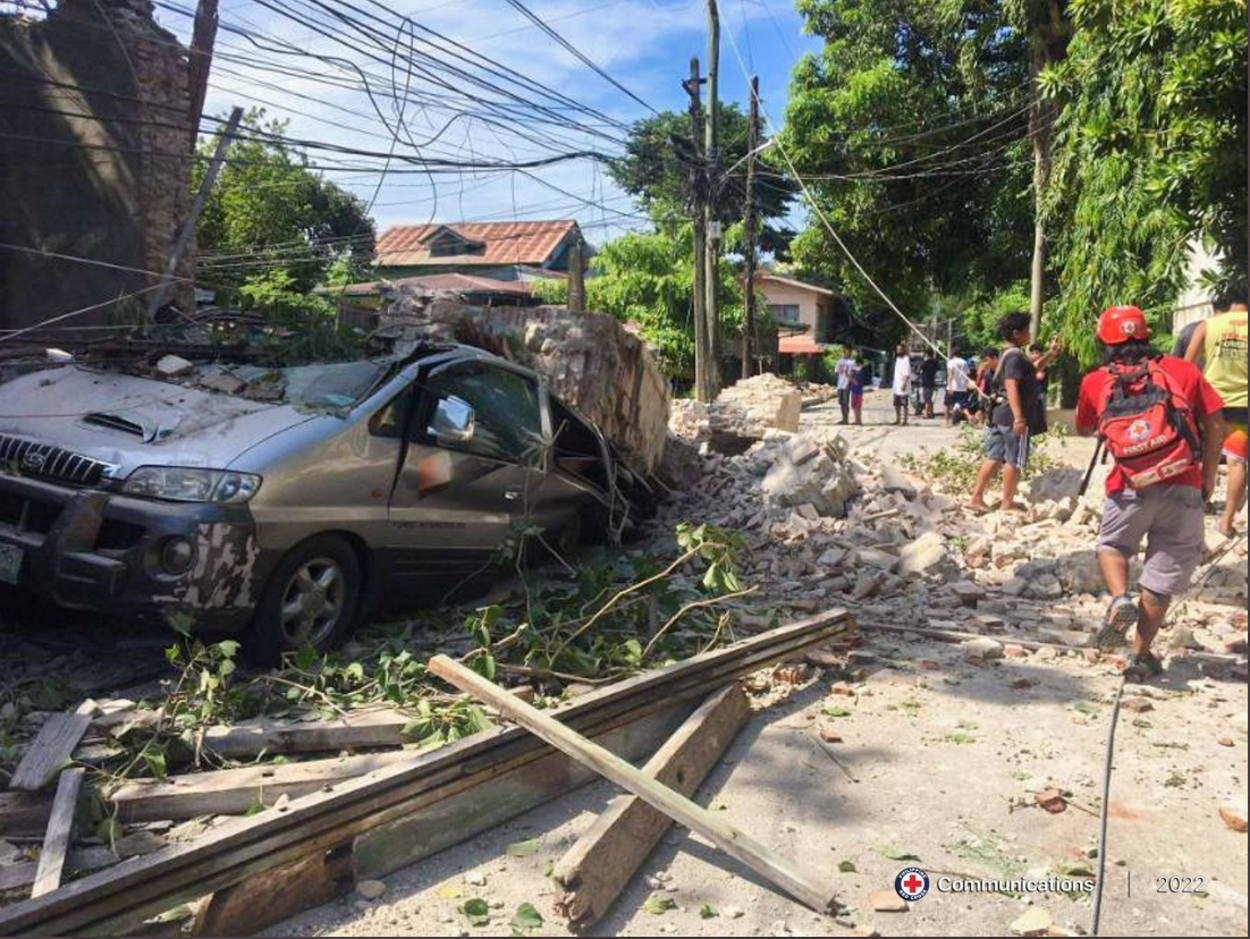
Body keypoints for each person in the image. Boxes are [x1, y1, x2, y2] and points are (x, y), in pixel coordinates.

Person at [1076, 305, 1225, 679]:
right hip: (1184, 481)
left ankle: (1120, 597)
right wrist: (1208, 475)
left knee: (1112, 546)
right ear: (1146, 335)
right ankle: (1140, 657)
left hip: (1129, 484)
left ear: (1104, 342)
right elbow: (1215, 420)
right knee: (1161, 577)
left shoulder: (1096, 380)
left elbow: (1083, 427)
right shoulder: (1184, 371)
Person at [1185, 301, 1248, 538]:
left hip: (1211, 404)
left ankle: (1199, 509)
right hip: (1244, 406)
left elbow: (1187, 366)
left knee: (1206, 456)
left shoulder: (1208, 325)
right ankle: (1226, 522)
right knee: (1238, 462)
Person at [967, 314, 1041, 513]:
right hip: (1011, 416)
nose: (1029, 334)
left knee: (994, 456)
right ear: (1017, 333)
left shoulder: (1007, 354)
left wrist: (1049, 355)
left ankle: (976, 498)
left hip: (999, 415)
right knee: (1014, 459)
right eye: (1026, 330)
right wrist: (1019, 417)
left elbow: (1028, 374)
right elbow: (1011, 386)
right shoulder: (1016, 355)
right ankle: (1007, 503)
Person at [1028, 336, 1063, 434]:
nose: (1034, 355)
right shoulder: (1029, 365)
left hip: (1040, 393)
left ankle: (1040, 431)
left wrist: (1027, 376)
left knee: (1040, 414)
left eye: (1036, 353)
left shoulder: (1043, 365)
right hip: (1031, 394)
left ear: (1041, 354)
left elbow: (1040, 376)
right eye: (1032, 353)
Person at [945, 349, 970, 425]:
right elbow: (967, 375)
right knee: (963, 406)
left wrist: (949, 386)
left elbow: (950, 375)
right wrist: (966, 386)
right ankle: (969, 417)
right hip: (962, 387)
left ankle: (947, 421)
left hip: (953, 386)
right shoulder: (964, 362)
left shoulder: (951, 362)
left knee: (947, 404)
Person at [890, 342, 912, 426]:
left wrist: (904, 384)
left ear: (903, 350)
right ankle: (898, 419)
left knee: (904, 404)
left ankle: (905, 420)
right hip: (896, 386)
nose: (898, 351)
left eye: (900, 349)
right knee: (896, 404)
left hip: (903, 386)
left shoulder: (906, 359)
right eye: (897, 349)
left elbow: (906, 373)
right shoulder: (897, 359)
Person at [834, 346, 857, 425]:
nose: (848, 354)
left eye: (849, 352)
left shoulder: (852, 362)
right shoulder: (839, 361)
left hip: (847, 383)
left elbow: (854, 372)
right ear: (844, 352)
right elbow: (836, 372)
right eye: (846, 352)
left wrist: (850, 381)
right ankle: (843, 418)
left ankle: (846, 419)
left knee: (846, 402)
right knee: (841, 402)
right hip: (840, 384)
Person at [850, 355, 869, 425]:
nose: (856, 365)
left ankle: (859, 420)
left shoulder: (861, 371)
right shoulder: (854, 371)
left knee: (858, 406)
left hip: (858, 391)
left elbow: (857, 381)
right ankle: (856, 420)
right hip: (855, 390)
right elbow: (851, 379)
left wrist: (852, 378)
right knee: (854, 406)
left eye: (857, 363)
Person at [919, 349, 939, 418]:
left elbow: (920, 370)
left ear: (926, 355)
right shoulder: (934, 362)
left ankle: (926, 414)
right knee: (930, 398)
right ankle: (931, 412)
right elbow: (937, 371)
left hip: (925, 382)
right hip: (932, 382)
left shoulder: (925, 363)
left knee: (926, 399)